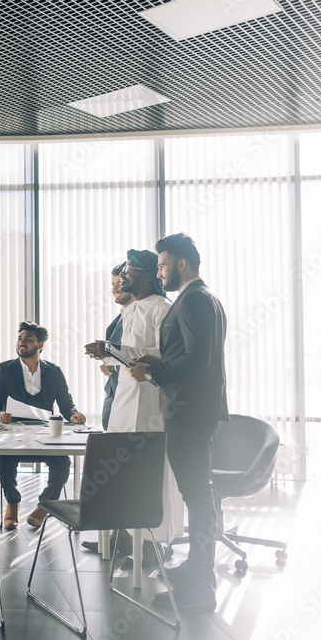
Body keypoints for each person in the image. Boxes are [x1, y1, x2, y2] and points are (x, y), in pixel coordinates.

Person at [129, 233, 227, 613]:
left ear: (181, 264)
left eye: (163, 265)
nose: (159, 272)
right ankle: (199, 569)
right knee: (197, 495)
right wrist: (155, 362)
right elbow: (190, 355)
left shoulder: (193, 300)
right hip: (195, 411)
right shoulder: (206, 298)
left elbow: (195, 360)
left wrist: (153, 373)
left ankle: (201, 586)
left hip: (188, 413)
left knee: (198, 498)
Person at [83, 250, 183, 559]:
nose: (124, 275)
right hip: (126, 396)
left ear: (149, 275)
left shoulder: (162, 309)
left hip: (148, 400)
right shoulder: (132, 308)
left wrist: (114, 348)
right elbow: (130, 353)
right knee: (121, 466)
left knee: (145, 467)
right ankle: (123, 535)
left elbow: (163, 353)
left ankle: (153, 539)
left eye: (130, 270)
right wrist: (110, 354)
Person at [0, 321, 86, 531]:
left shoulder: (54, 371)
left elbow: (67, 404)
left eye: (28, 339)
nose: (22, 342)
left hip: (46, 435)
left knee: (62, 465)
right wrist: (0, 415)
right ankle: (12, 503)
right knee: (4, 461)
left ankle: (44, 506)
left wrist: (75, 415)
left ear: (40, 345)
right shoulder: (4, 369)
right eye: (20, 338)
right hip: (14, 435)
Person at [101, 263, 132, 430]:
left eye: (119, 283)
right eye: (113, 284)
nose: (115, 288)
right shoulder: (120, 316)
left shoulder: (136, 315)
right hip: (113, 390)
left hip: (125, 393)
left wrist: (112, 366)